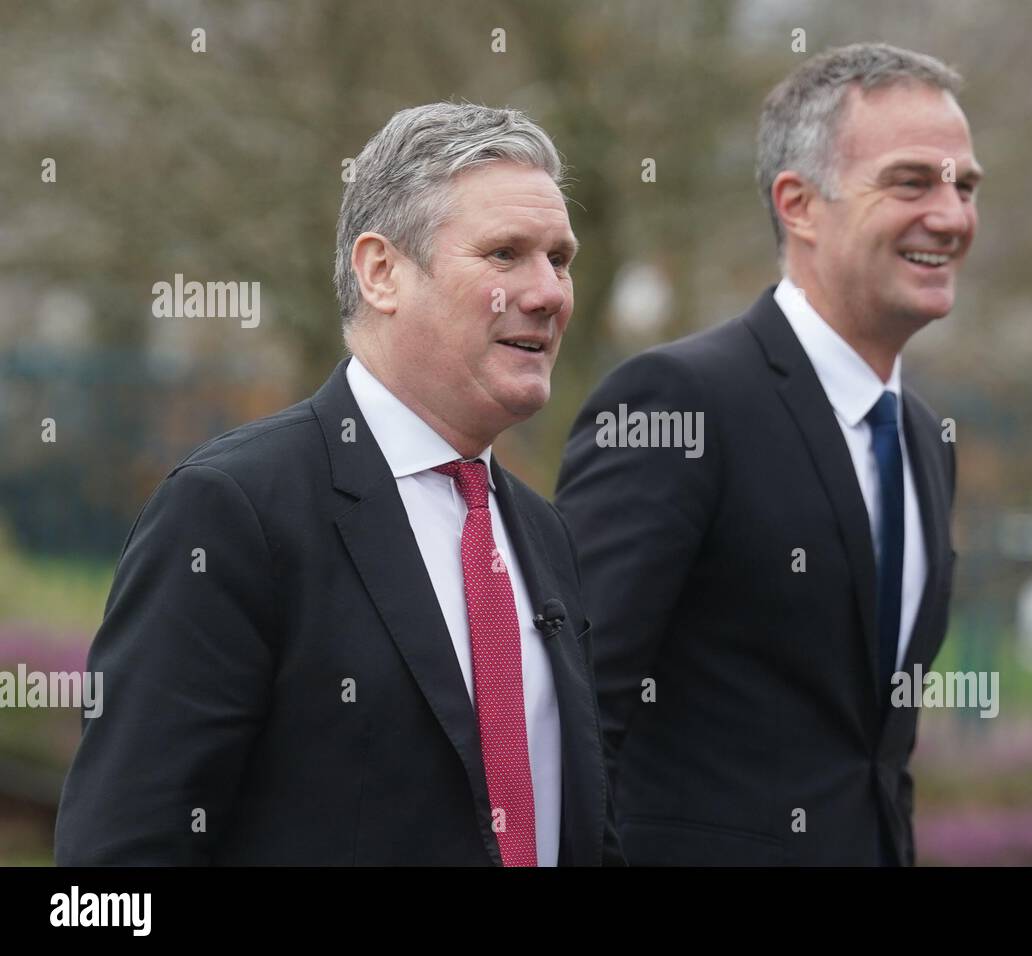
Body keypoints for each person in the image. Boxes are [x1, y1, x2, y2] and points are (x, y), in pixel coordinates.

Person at [56, 102, 621, 866]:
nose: (549, 291)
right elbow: (116, 869)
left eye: (560, 258)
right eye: (504, 254)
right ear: (382, 271)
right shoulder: (233, 510)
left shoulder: (542, 533)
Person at [555, 42, 978, 865]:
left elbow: (873, 754)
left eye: (965, 185)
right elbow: (574, 713)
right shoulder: (677, 401)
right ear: (799, 204)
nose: (953, 214)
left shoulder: (926, 442)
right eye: (912, 181)